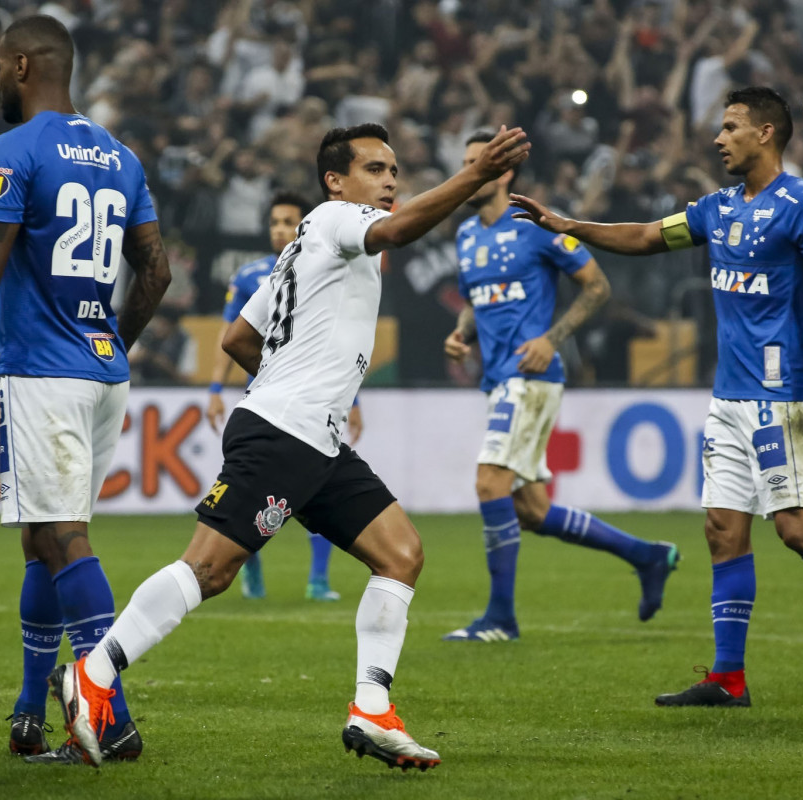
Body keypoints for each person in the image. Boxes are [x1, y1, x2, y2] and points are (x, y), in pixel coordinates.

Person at [46, 122, 531, 770]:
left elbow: (240, 341)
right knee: (210, 569)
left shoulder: (303, 251)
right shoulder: (335, 220)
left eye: (394, 171)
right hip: (283, 433)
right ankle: (94, 673)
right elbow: (396, 230)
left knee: (402, 554)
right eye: (375, 169)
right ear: (336, 181)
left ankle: (371, 708)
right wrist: (473, 176)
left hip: (316, 440)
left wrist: (291, 374)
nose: (390, 180)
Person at [510, 87, 803, 711]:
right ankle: (728, 678)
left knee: (798, 529)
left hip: (780, 397)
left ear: (766, 133)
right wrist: (571, 225)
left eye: (730, 128)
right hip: (728, 399)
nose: (718, 138)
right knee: (723, 530)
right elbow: (644, 236)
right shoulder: (718, 208)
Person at [0, 14, 172, 762]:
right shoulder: (121, 156)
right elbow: (157, 272)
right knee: (40, 539)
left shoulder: (15, 147)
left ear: (23, 64)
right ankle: (29, 712)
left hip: (44, 371)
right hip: (100, 371)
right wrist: (113, 341)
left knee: (62, 536)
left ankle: (110, 718)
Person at [441, 131, 680, 644]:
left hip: (528, 378)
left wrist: (552, 339)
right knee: (532, 510)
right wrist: (461, 333)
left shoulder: (534, 225)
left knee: (489, 484)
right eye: (462, 163)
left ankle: (500, 619)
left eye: (475, 163)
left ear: (503, 172)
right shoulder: (465, 235)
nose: (465, 172)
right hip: (497, 379)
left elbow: (598, 286)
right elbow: (474, 299)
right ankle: (648, 555)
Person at [206, 190, 360, 603]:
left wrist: (354, 402)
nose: (279, 230)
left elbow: (337, 343)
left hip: (313, 402)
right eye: (274, 222)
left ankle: (318, 580)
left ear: (303, 225)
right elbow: (230, 339)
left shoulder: (323, 270)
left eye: (288, 221)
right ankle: (250, 571)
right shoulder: (249, 276)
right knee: (247, 495)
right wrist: (216, 390)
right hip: (266, 401)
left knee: (316, 487)